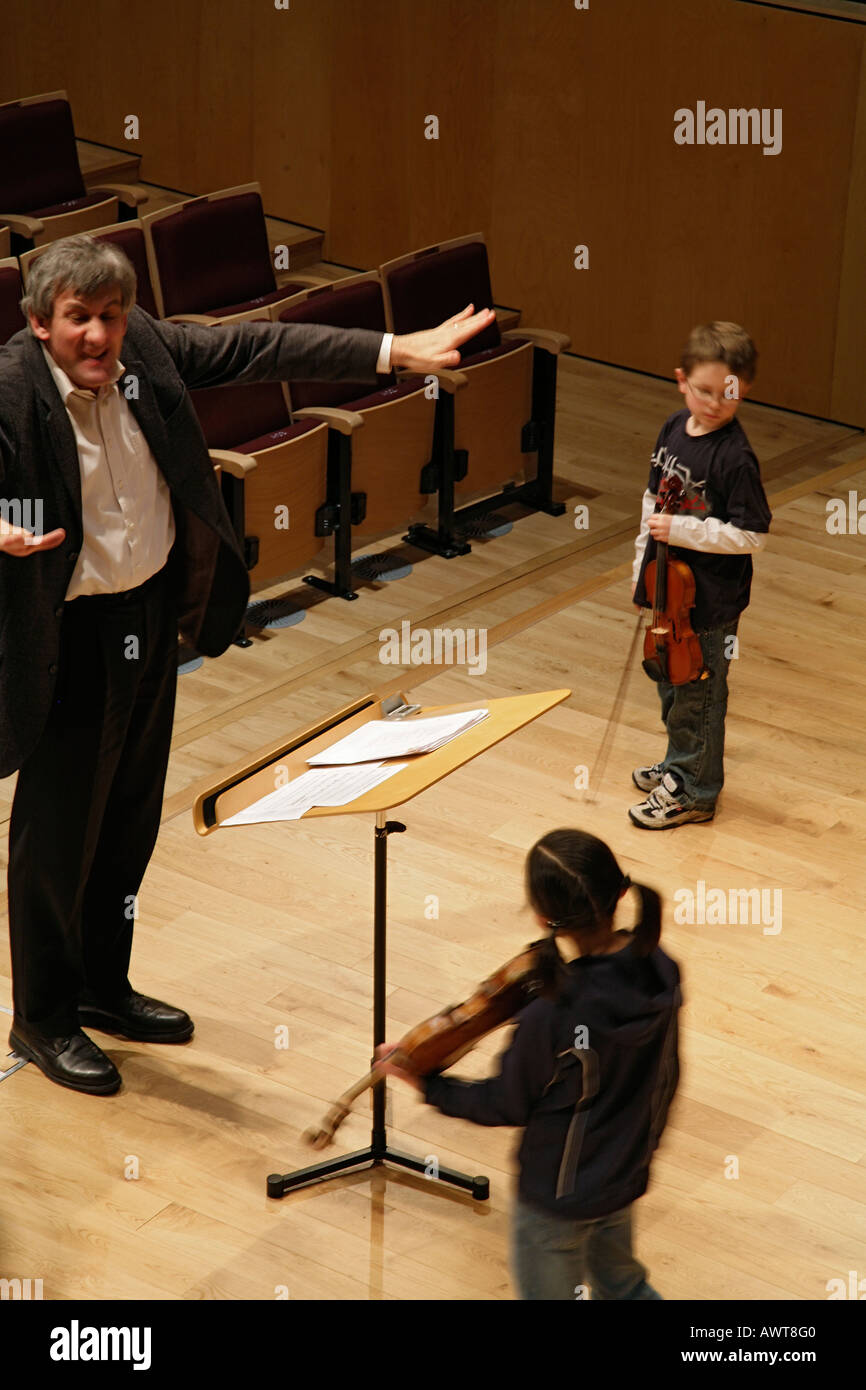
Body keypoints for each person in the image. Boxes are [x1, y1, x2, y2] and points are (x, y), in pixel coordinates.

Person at [0, 234, 495, 1096]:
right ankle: (43, 1018)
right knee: (56, 835)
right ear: (40, 323)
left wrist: (391, 351)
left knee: (128, 816)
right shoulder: (7, 391)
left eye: (109, 317)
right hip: (67, 636)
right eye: (78, 318)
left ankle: (102, 987)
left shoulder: (144, 348)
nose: (98, 336)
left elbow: (259, 344)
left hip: (148, 616)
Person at [379, 828, 680, 1301]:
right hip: (625, 1172)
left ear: (543, 919)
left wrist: (428, 1083)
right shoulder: (661, 968)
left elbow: (506, 1102)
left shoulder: (554, 1013)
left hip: (557, 1199)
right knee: (625, 1288)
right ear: (620, 892)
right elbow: (665, 1073)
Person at [629, 322, 772, 829]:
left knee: (701, 696)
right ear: (681, 380)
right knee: (671, 685)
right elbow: (651, 504)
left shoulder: (735, 458)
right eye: (704, 390)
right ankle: (678, 765)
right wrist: (639, 570)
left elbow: (752, 535)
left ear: (745, 388)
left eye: (728, 392)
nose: (714, 403)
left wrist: (685, 530)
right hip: (668, 594)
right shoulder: (673, 429)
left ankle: (695, 791)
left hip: (708, 603)